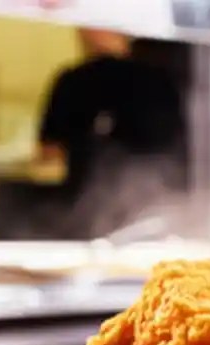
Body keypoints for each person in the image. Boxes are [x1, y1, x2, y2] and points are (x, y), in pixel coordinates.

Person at [37, 29, 186, 238]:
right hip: (151, 213)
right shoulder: (161, 80)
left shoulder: (75, 80)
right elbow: (178, 153)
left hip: (81, 212)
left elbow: (48, 153)